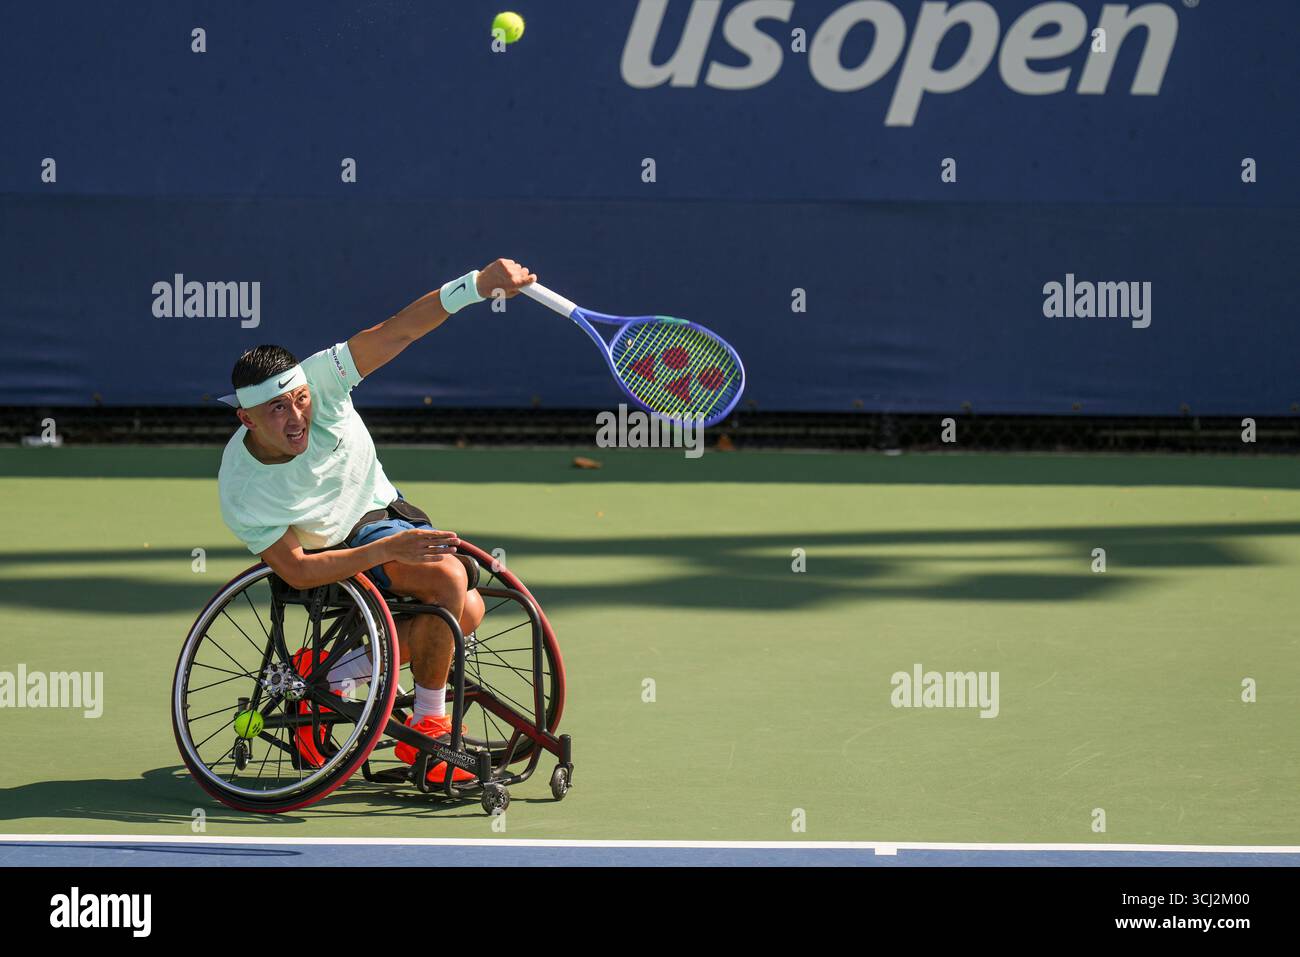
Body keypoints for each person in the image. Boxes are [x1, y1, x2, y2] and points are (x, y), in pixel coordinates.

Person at [216, 258, 536, 783]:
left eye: (299, 400)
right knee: (450, 580)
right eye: (277, 410)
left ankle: (328, 674)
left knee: (467, 609)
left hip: (384, 516)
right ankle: (430, 732)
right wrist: (386, 552)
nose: (297, 418)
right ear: (246, 418)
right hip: (332, 558)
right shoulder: (241, 486)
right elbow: (295, 571)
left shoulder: (323, 378)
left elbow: (400, 330)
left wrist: (478, 286)